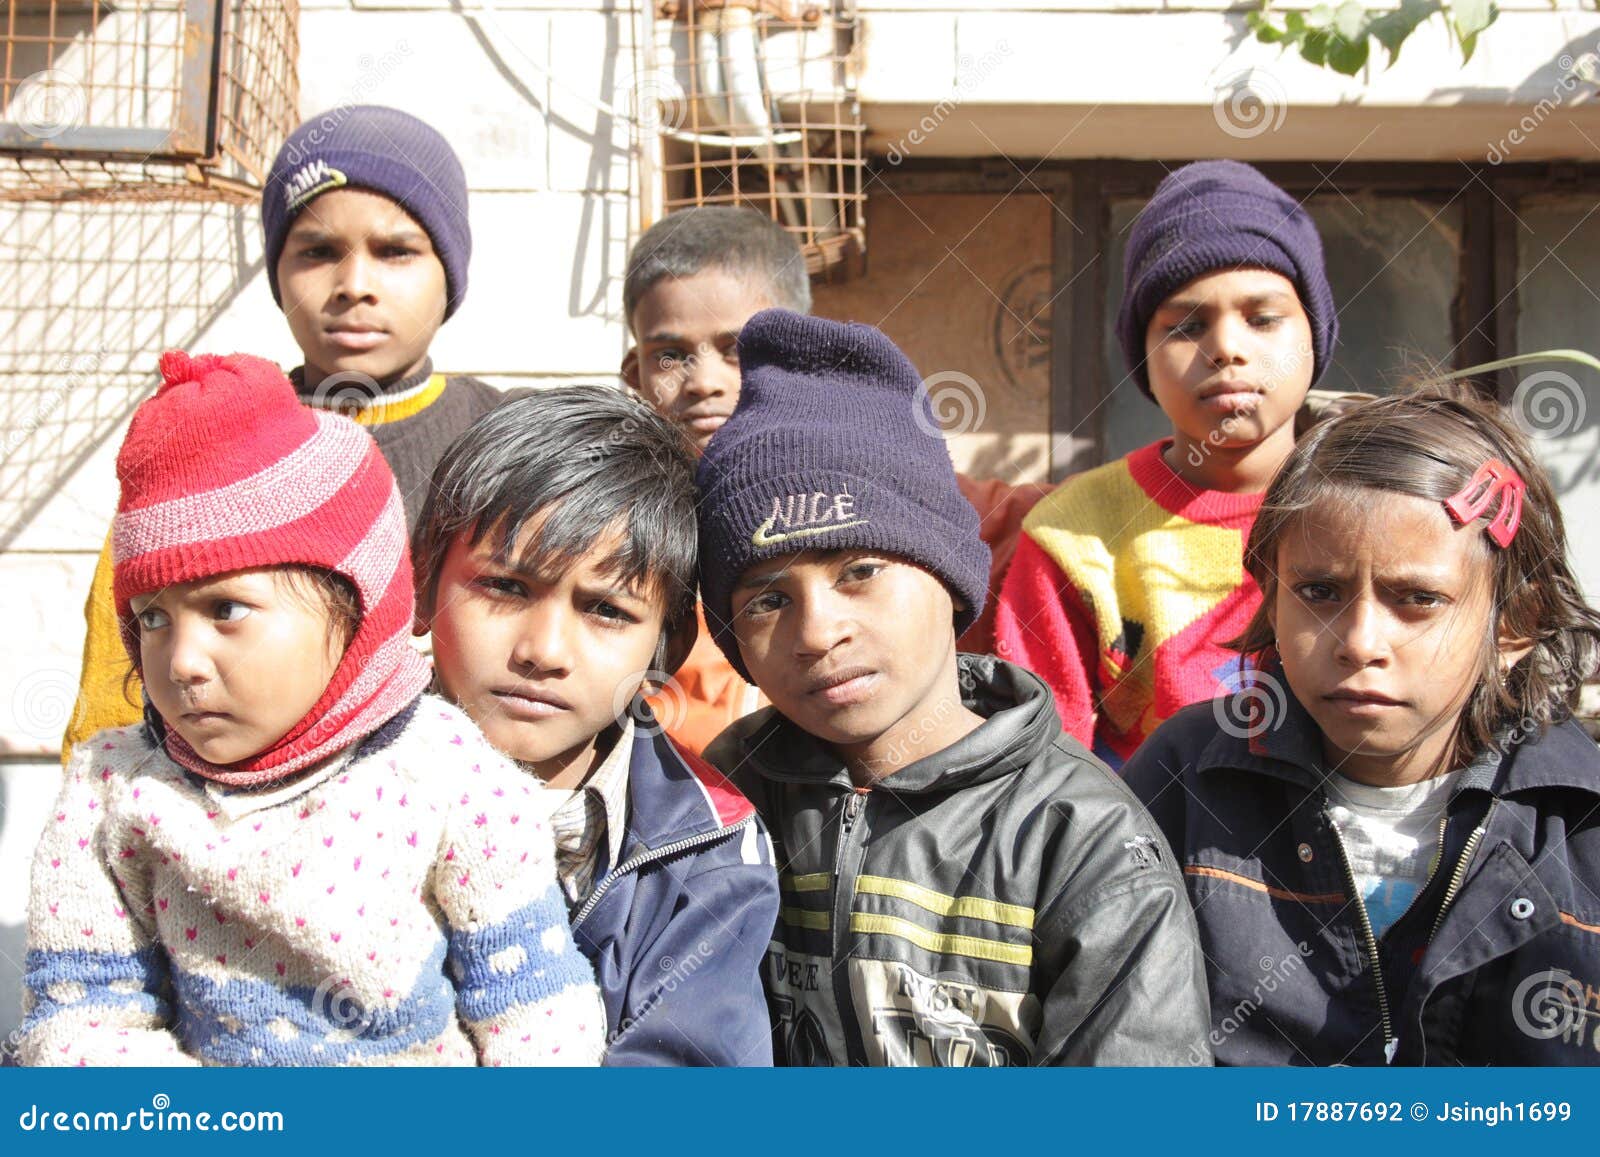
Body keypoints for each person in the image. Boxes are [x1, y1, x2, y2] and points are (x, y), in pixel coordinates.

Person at [21, 352, 602, 1067]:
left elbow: (539, 1016)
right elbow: (81, 1023)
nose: (181, 661)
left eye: (226, 609)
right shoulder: (111, 793)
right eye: (152, 617)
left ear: (357, 603)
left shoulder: (449, 776)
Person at [697, 309, 1211, 1066]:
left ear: (949, 574)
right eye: (768, 599)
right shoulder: (729, 802)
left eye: (860, 572)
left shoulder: (1080, 840)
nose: (817, 631)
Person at [1124, 383, 1600, 1065]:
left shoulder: (1582, 826)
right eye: (1319, 591)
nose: (1359, 641)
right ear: (1271, 593)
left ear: (1514, 624)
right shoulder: (1186, 779)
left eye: (1417, 600)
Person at [65, 105, 513, 759]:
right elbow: (115, 696)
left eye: (396, 251)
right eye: (318, 252)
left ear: (450, 270)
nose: (354, 285)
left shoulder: (507, 438)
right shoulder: (207, 437)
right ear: (278, 272)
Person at [412, 387, 780, 1066]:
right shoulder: (319, 783)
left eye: (606, 609)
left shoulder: (708, 853)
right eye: (506, 586)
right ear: (424, 584)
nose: (543, 651)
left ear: (664, 646)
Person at [621, 205, 1049, 746]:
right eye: (671, 355)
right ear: (634, 374)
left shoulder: (907, 505)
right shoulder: (631, 543)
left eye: (736, 350)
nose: (703, 380)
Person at [994, 160, 1338, 768]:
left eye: (1262, 318)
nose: (1227, 348)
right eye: (1185, 325)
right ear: (1141, 355)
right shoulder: (1076, 533)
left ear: (1316, 333)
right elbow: (1042, 775)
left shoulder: (1380, 506)